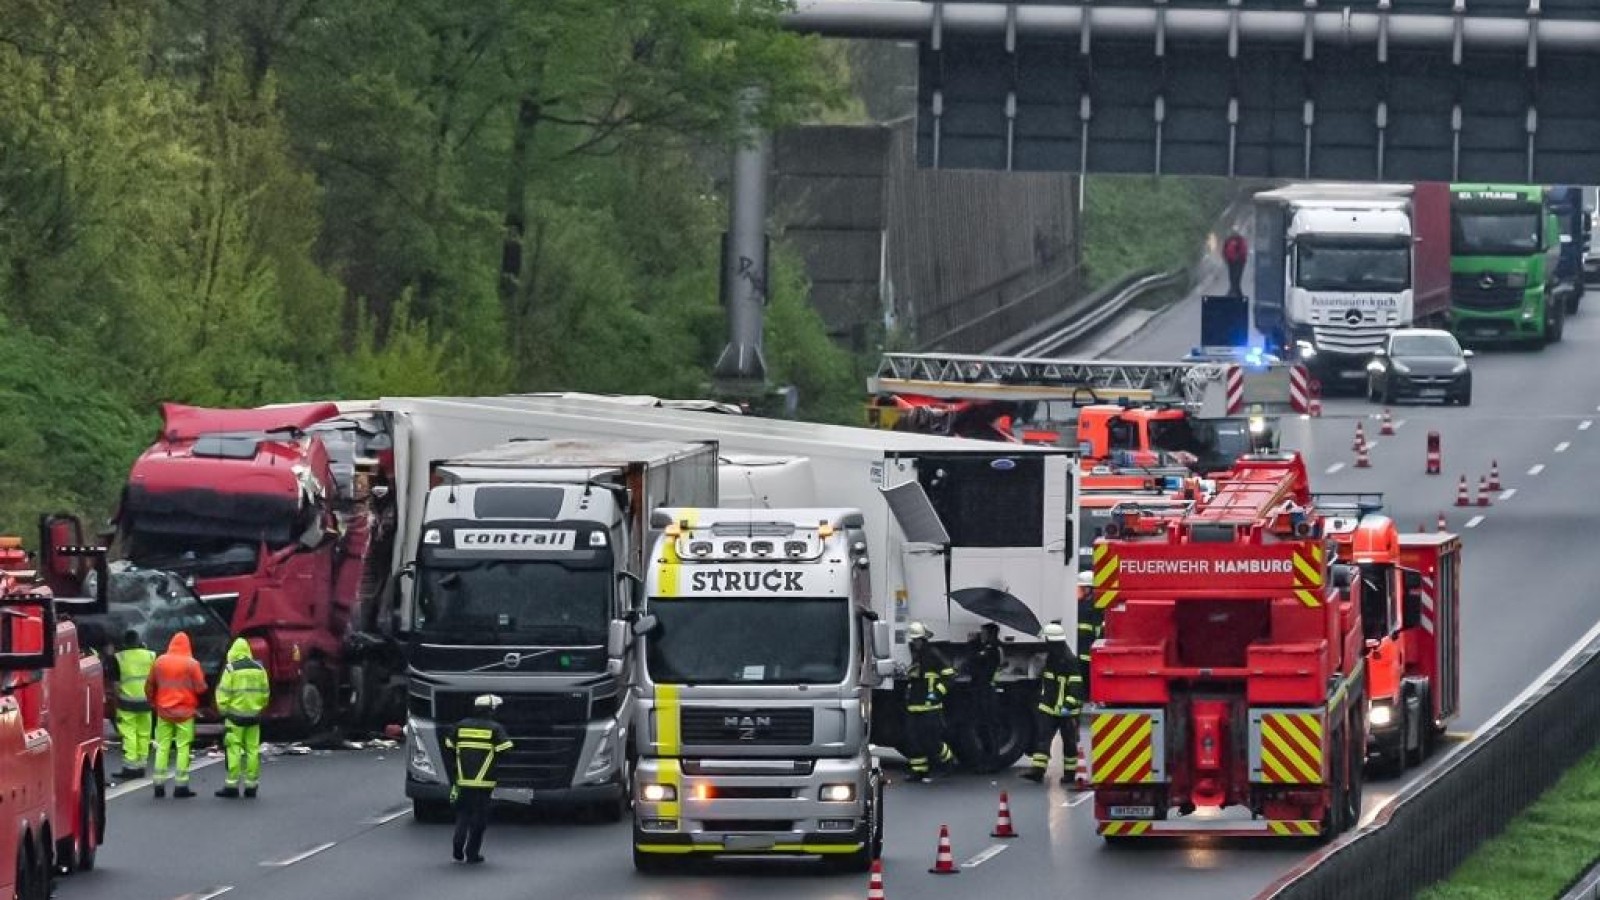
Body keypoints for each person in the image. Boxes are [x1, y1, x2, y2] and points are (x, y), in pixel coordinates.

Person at [444, 694, 513, 864]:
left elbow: (449, 745)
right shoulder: (495, 728)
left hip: (462, 780)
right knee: (479, 820)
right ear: (491, 710)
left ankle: (457, 848)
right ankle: (472, 854)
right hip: (484, 783)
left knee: (463, 815)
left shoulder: (460, 726)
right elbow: (507, 749)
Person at [146, 631, 207, 799]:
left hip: (164, 711)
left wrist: (152, 701)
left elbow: (150, 684)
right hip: (185, 712)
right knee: (183, 747)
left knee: (162, 746)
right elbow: (201, 688)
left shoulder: (159, 662)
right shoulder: (192, 664)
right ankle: (181, 785)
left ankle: (158, 783)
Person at [1022, 622, 1083, 784]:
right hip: (1049, 707)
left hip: (1066, 710)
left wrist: (1068, 706)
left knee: (1069, 743)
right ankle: (1037, 771)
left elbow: (1076, 686)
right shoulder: (1052, 657)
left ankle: (1069, 775)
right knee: (1042, 738)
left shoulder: (1069, 660)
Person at [214, 638, 270, 799]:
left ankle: (231, 785)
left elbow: (223, 693)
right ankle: (251, 786)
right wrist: (258, 708)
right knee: (252, 750)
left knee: (234, 750)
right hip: (253, 717)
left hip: (234, 717)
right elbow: (265, 693)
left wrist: (223, 711)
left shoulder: (231, 669)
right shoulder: (259, 669)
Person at [903, 621, 958, 783]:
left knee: (932, 740)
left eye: (917, 640)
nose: (915, 643)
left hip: (930, 707)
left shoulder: (933, 654)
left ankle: (948, 763)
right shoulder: (916, 656)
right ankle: (918, 771)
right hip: (914, 706)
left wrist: (936, 693)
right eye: (913, 640)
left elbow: (950, 676)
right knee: (913, 739)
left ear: (923, 639)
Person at [110, 630, 156, 780]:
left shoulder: (119, 658)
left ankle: (130, 767)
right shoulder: (151, 655)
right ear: (139, 641)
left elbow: (116, 685)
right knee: (144, 733)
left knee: (129, 734)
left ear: (125, 643)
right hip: (146, 702)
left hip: (127, 703)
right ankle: (141, 765)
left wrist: (117, 700)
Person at [1223, 232, 1249, 298]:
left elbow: (1243, 250)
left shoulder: (1240, 240)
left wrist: (1237, 258)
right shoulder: (1228, 240)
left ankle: (1231, 293)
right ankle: (1239, 295)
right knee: (1232, 277)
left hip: (1239, 263)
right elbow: (1224, 249)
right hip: (1230, 262)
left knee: (1236, 278)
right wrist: (1225, 258)